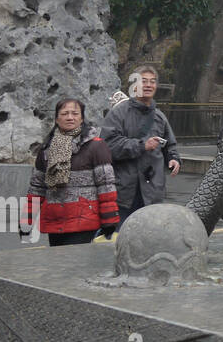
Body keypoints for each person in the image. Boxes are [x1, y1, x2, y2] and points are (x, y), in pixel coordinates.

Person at [27, 98, 119, 246]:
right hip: (55, 220)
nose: (70, 117)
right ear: (57, 119)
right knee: (59, 264)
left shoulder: (95, 146)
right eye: (65, 113)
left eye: (75, 113)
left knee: (76, 264)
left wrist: (109, 219)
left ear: (82, 118)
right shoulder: (46, 149)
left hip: (84, 220)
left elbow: (106, 185)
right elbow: (37, 187)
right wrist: (28, 217)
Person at [99, 65, 180, 226]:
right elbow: (108, 145)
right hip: (125, 191)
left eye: (152, 81)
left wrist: (173, 159)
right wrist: (141, 146)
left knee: (150, 238)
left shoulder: (159, 116)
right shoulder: (118, 113)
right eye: (144, 81)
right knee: (121, 239)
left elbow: (170, 144)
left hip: (153, 191)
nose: (149, 85)